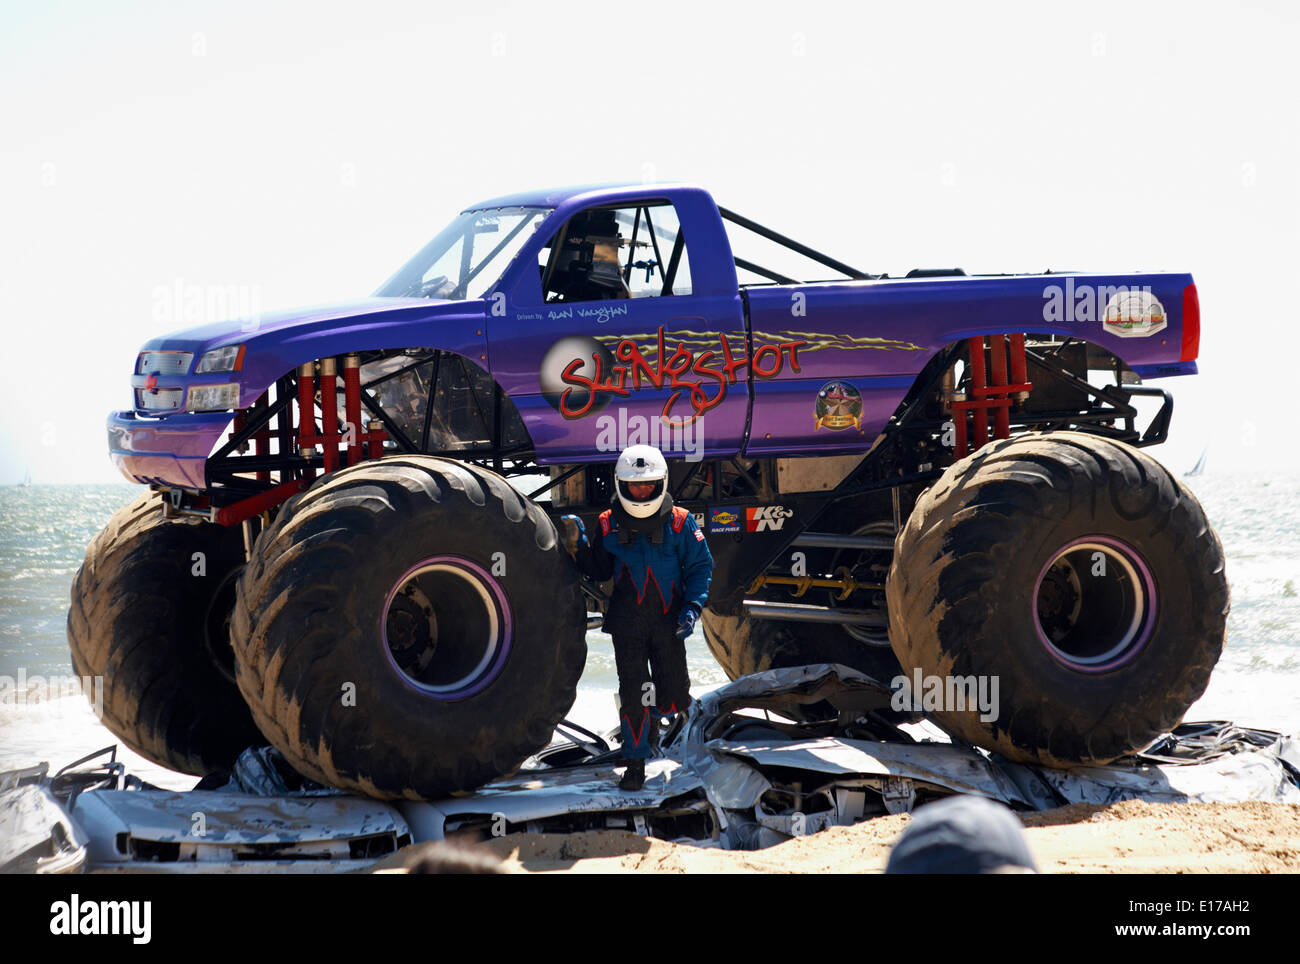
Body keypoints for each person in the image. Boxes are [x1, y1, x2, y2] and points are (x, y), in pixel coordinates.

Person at [560, 444, 713, 790]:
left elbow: (702, 567)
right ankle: (635, 761)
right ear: (620, 485)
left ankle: (654, 726)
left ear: (662, 484)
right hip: (627, 624)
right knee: (635, 693)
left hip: (669, 622)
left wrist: (692, 608)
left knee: (675, 695)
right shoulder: (607, 523)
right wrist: (578, 546)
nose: (641, 492)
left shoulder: (681, 521)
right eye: (634, 487)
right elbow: (598, 570)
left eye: (647, 486)